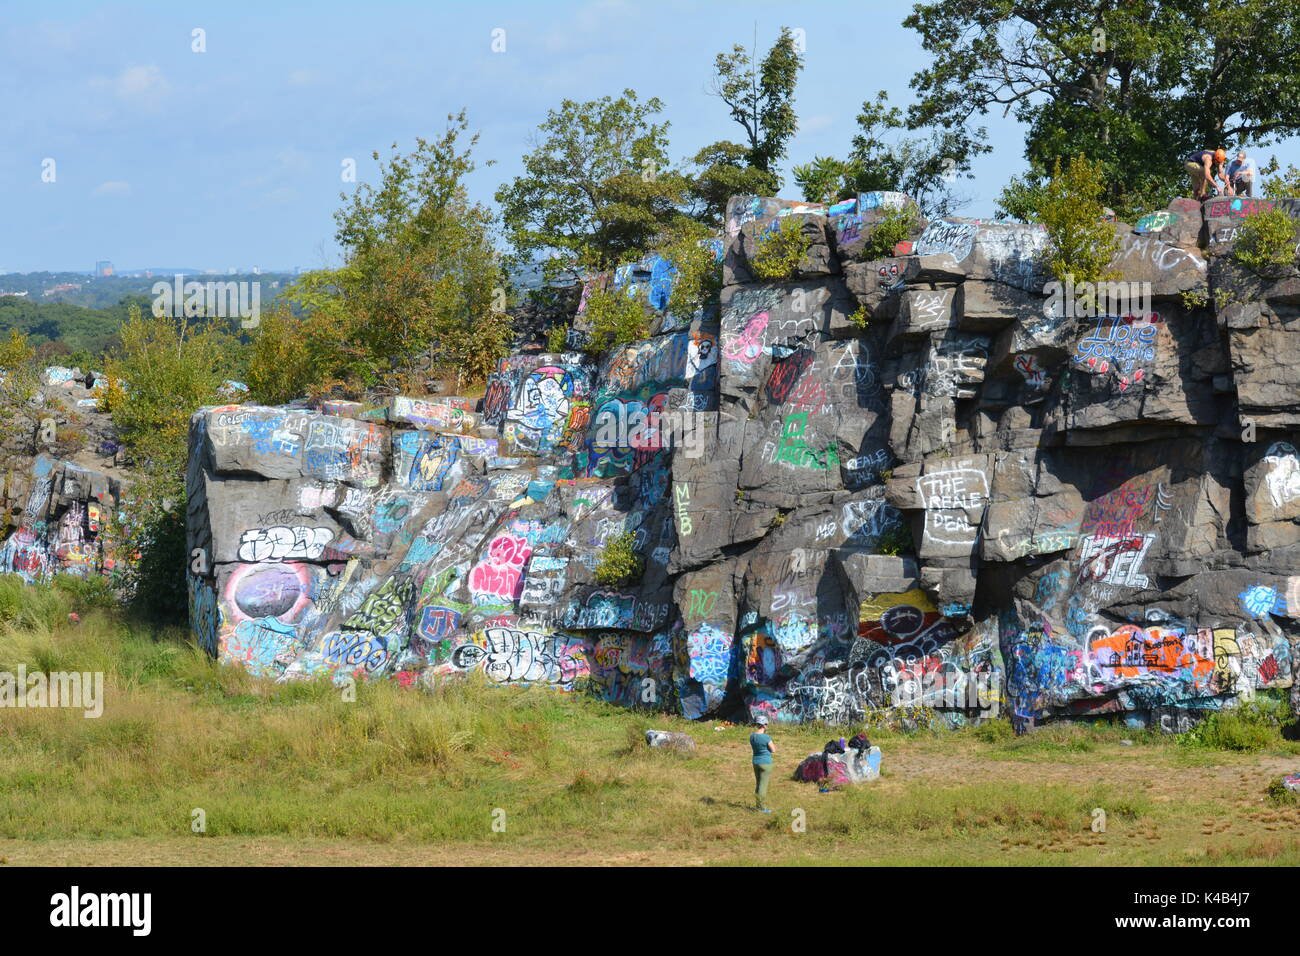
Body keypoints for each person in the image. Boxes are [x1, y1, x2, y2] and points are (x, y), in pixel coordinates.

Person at [749, 715, 776, 812]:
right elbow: (773, 750)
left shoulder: (752, 736)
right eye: (766, 724)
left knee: (758, 784)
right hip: (765, 763)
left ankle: (757, 805)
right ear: (764, 725)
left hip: (755, 761)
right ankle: (761, 808)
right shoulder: (766, 737)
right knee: (763, 786)